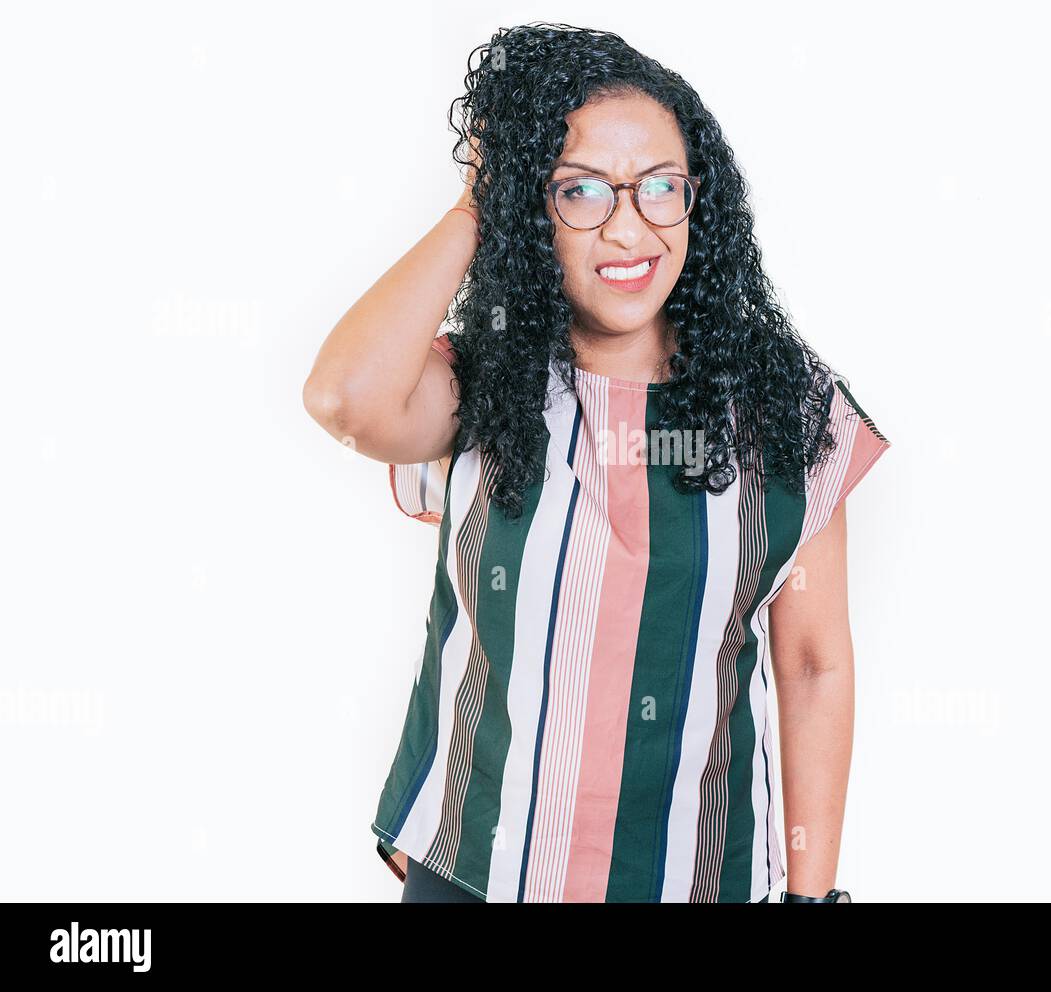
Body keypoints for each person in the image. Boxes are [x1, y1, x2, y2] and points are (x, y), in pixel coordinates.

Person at [303, 22, 891, 904]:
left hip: (692, 880)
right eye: (579, 192)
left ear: (701, 200)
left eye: (661, 187)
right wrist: (480, 201)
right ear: (529, 211)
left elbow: (813, 665)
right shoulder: (481, 385)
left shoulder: (785, 407)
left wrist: (813, 899)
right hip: (474, 870)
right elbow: (344, 399)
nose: (629, 228)